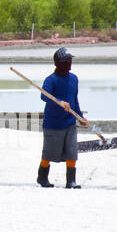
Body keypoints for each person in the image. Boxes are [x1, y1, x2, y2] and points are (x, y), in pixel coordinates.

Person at [38, 47, 88, 189]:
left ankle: (71, 181)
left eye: (70, 60)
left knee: (72, 151)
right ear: (58, 63)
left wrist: (80, 117)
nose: (69, 63)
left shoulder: (74, 79)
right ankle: (42, 177)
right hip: (53, 123)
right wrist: (59, 102)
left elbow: (74, 100)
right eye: (66, 61)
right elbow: (43, 95)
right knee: (49, 153)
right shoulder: (51, 80)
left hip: (70, 122)